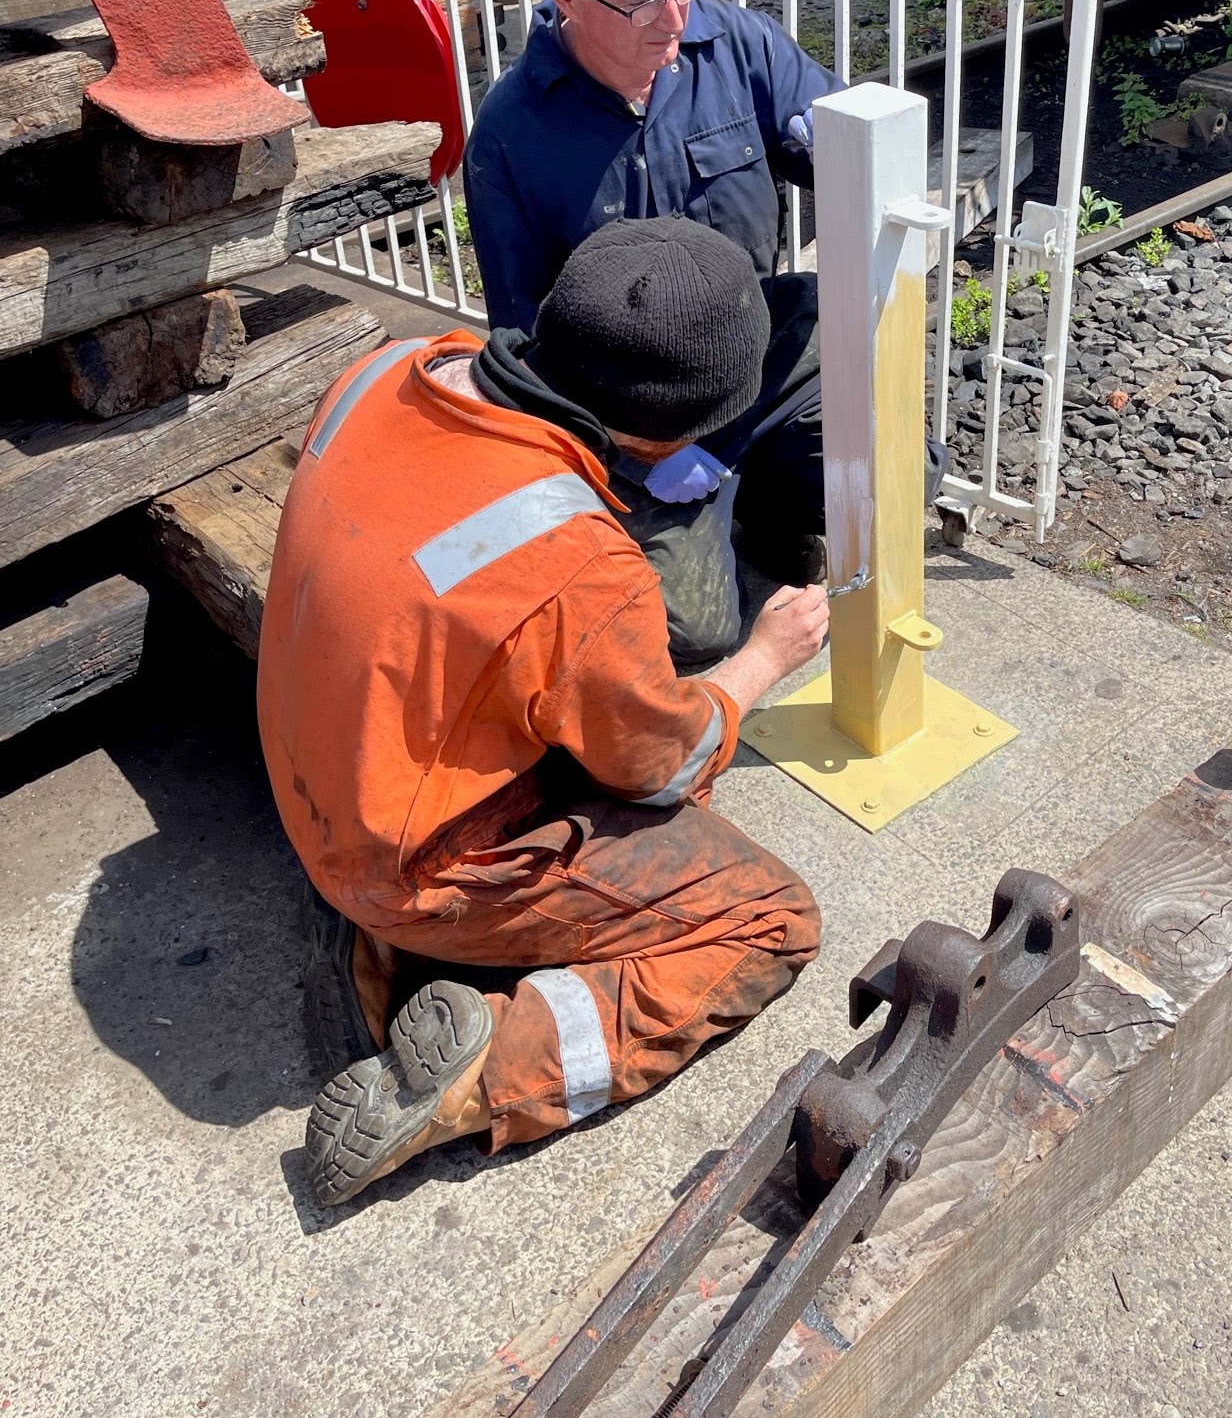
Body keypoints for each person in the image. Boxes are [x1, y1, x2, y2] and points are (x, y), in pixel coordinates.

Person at [258, 219, 828, 1209]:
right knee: (770, 920)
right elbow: (662, 763)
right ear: (672, 437)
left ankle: (389, 959)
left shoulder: (390, 367)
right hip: (410, 857)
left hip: (321, 770)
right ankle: (487, 1072)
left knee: (531, 717)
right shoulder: (575, 558)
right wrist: (756, 665)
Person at [462, 0, 847, 663]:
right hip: (634, 428)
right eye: (641, 0)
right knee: (694, 632)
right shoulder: (509, 137)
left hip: (744, 357)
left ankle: (755, 508)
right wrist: (639, 453)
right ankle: (699, 531)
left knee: (884, 468)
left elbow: (838, 130)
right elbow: (523, 344)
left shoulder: (735, 43)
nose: (674, 17)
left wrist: (845, 144)